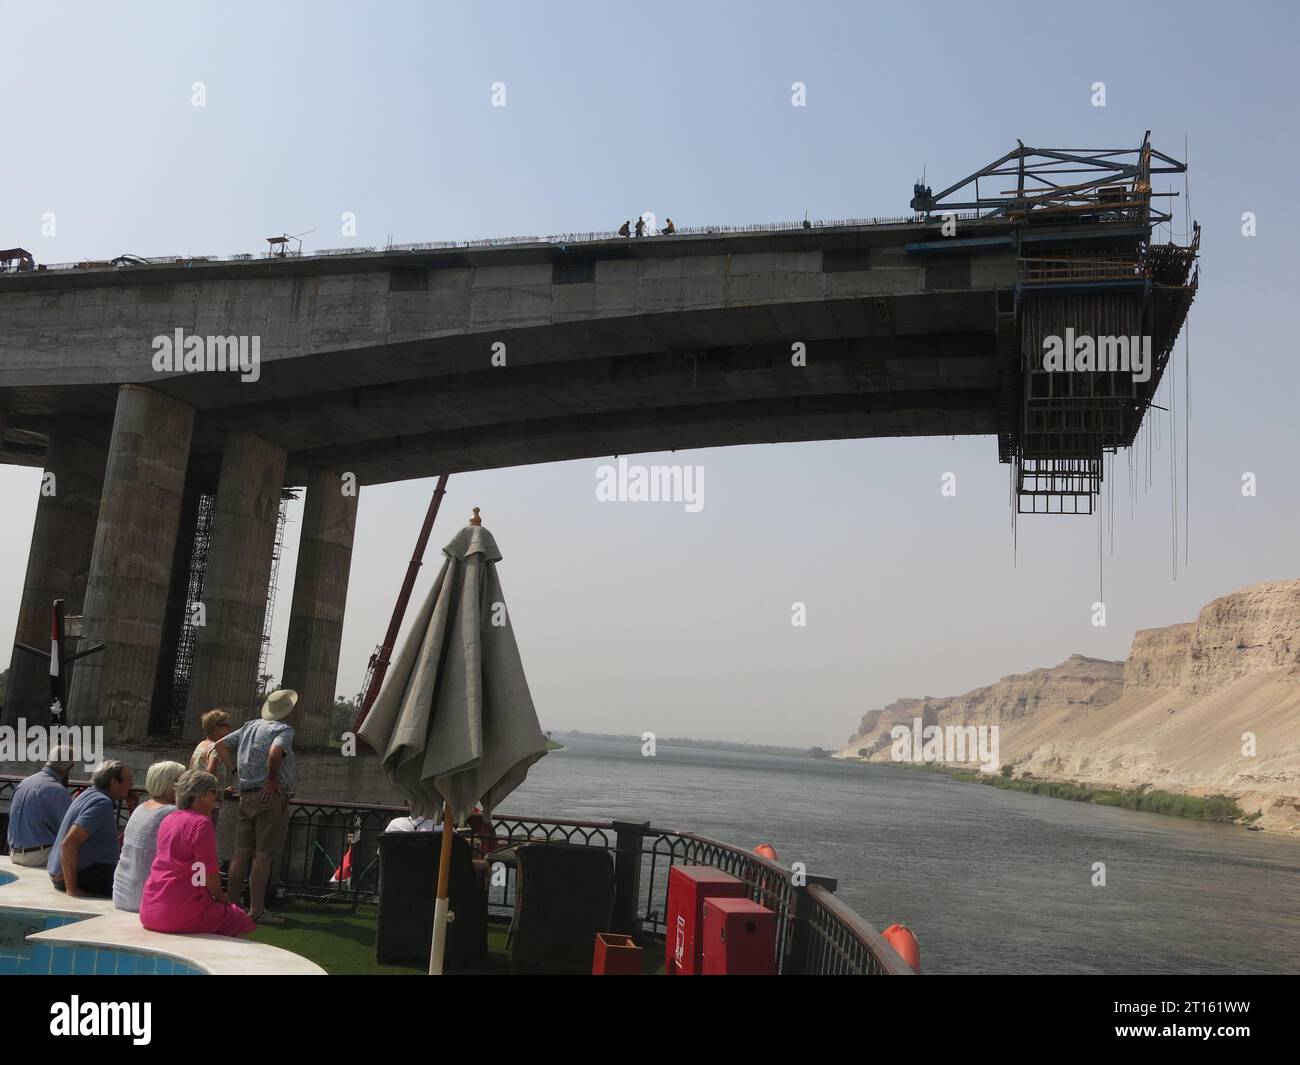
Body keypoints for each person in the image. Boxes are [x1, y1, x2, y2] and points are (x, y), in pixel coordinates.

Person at [213, 689, 298, 925]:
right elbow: (275, 751)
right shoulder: (283, 730)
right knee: (263, 854)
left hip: (246, 795)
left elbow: (219, 745)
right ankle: (257, 909)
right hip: (269, 797)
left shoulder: (250, 726)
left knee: (241, 852)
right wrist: (272, 779)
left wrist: (235, 772)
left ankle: (232, 904)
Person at [138, 770, 255, 938]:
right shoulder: (201, 823)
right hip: (179, 912)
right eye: (213, 791)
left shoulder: (169, 819)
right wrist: (223, 898)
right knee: (237, 917)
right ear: (199, 795)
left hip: (150, 908)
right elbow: (209, 874)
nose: (217, 796)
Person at [48, 760, 134, 897]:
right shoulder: (101, 803)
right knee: (137, 889)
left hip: (64, 875)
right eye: (128, 779)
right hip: (82, 877)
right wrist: (73, 890)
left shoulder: (88, 794)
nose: (132, 784)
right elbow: (69, 843)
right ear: (113, 782)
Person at [112, 761, 185, 913]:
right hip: (145, 899)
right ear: (173, 784)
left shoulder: (141, 807)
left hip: (121, 893)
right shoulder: (172, 813)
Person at [5, 748, 76, 867]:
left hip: (14, 853)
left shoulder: (24, 783)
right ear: (69, 767)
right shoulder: (57, 791)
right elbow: (68, 830)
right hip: (38, 856)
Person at [189, 708, 234, 830]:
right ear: (215, 728)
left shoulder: (201, 745)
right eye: (225, 725)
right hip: (209, 804)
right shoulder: (216, 748)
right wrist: (214, 793)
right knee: (205, 835)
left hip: (194, 799)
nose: (228, 728)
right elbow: (209, 774)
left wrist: (221, 790)